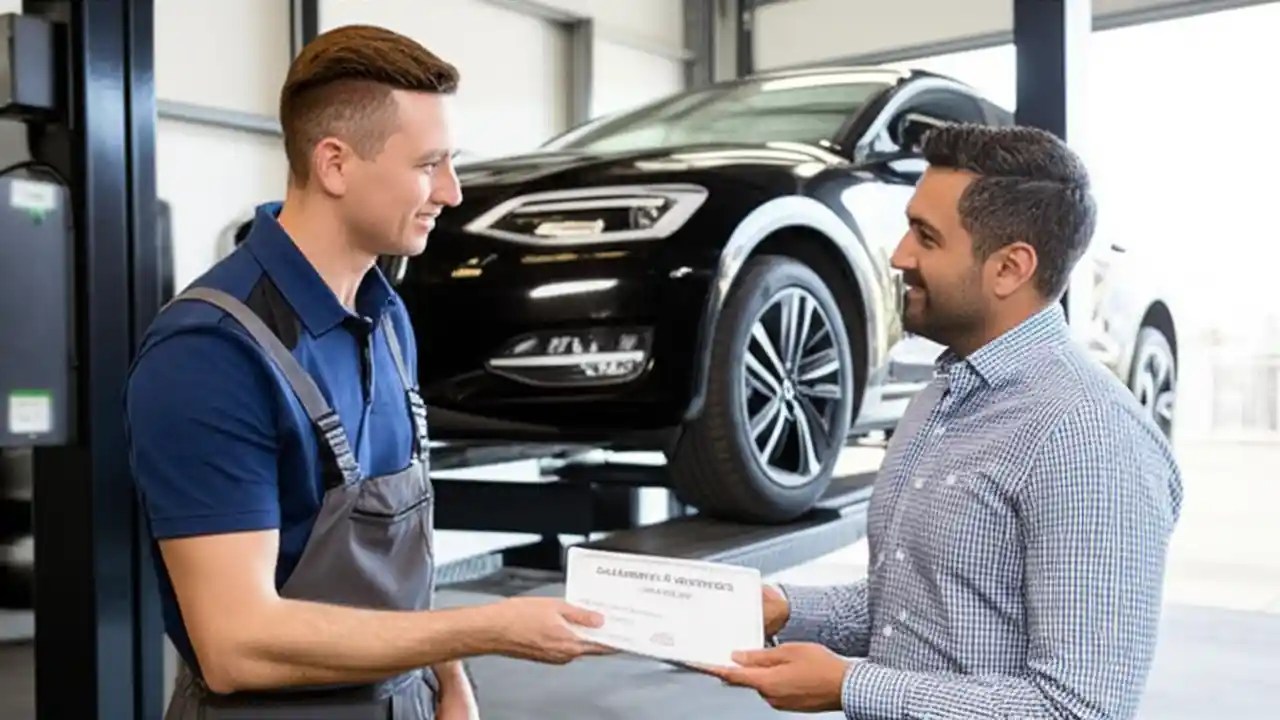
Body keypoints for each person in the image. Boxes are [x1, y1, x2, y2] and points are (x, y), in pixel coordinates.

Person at [124, 24, 609, 719]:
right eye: (429, 164)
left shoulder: (387, 319)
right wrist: (491, 628)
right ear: (335, 164)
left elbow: (396, 561)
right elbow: (237, 644)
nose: (453, 191)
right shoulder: (209, 354)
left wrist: (451, 678)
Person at [707, 124, 1184, 719]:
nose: (900, 255)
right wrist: (781, 607)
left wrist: (848, 686)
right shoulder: (943, 396)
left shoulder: (1088, 438)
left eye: (925, 237)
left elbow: (1079, 708)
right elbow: (917, 605)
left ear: (1010, 268)